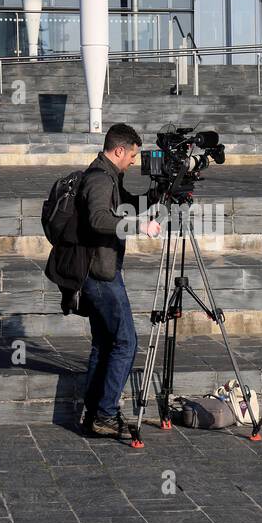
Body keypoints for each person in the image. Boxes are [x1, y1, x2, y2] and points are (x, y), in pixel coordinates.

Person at [76, 123, 160, 438]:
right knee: (126, 342)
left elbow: (126, 205)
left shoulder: (111, 175)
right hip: (100, 273)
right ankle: (106, 415)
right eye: (132, 156)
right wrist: (139, 228)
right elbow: (98, 218)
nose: (134, 163)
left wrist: (155, 195)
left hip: (99, 270)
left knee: (104, 343)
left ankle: (93, 412)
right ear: (119, 150)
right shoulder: (99, 180)